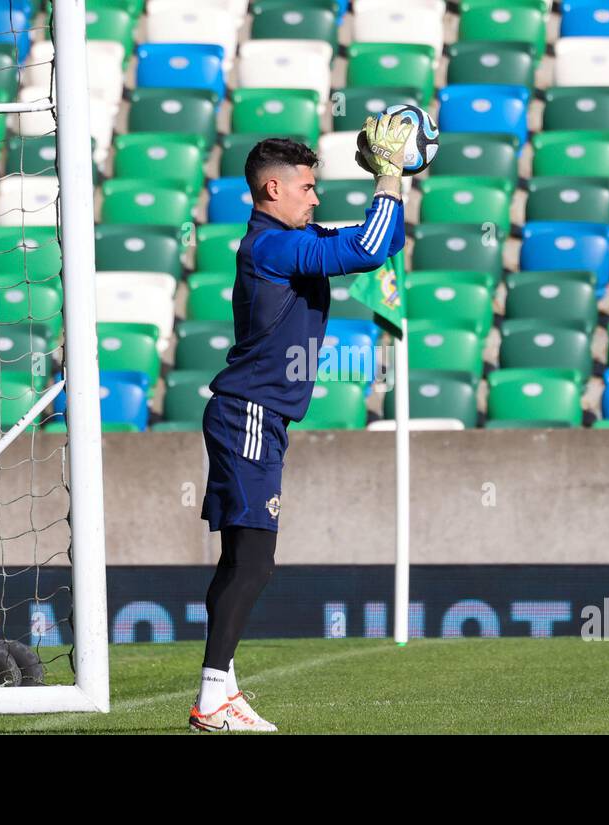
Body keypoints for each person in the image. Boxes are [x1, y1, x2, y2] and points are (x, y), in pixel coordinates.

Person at [188, 116, 412, 732]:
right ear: (272, 191)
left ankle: (221, 690)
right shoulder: (272, 245)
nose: (316, 197)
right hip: (251, 415)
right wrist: (388, 176)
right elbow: (366, 248)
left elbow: (380, 241)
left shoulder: (287, 240)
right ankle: (212, 699)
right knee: (255, 561)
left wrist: (397, 181)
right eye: (308, 187)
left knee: (239, 560)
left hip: (251, 414)